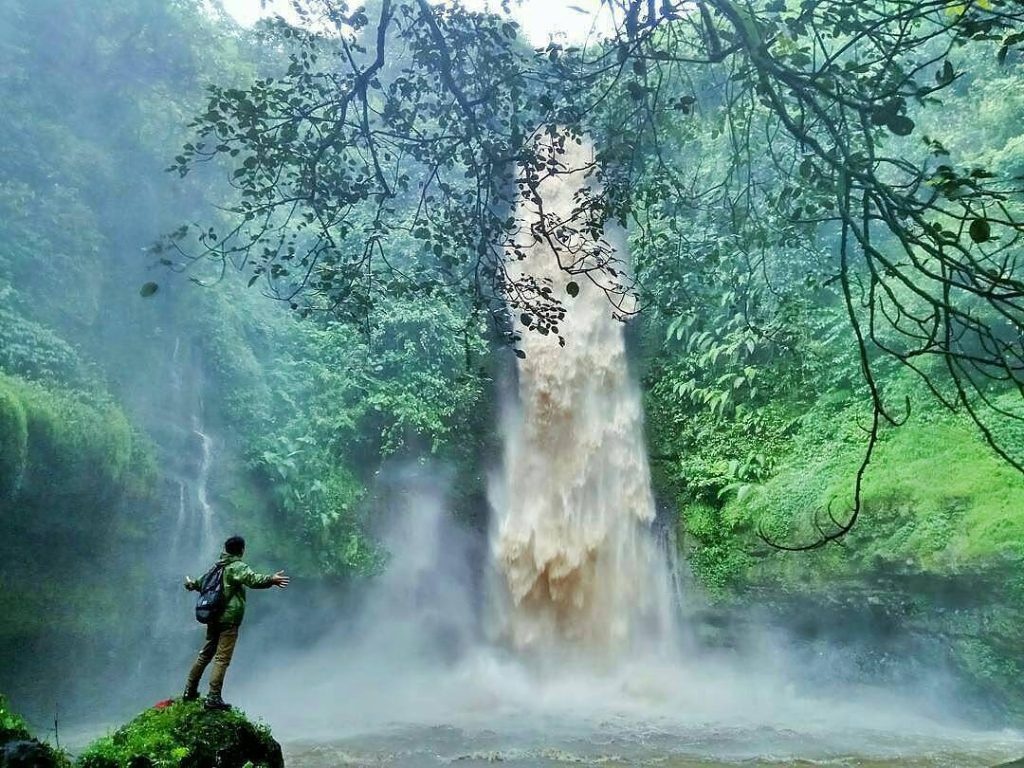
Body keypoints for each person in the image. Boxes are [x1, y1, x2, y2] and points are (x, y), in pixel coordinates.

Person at [182, 535, 289, 710]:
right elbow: (252, 579)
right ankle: (213, 697)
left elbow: (199, 584)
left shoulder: (216, 567)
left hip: (213, 617)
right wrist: (272, 579)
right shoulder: (236, 567)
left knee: (205, 654)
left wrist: (190, 584)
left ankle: (189, 691)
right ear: (242, 550)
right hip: (229, 619)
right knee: (222, 658)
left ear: (225, 549)